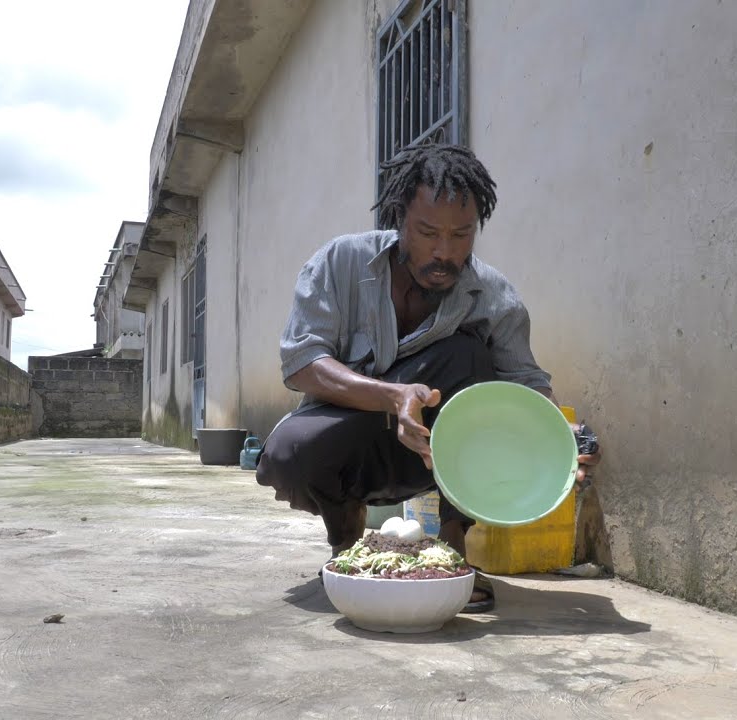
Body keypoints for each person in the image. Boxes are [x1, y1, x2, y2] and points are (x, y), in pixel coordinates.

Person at [255, 143, 600, 613]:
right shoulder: (340, 263)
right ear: (399, 220)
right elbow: (301, 362)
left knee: (469, 356)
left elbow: (526, 383)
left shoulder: (493, 297)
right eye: (428, 232)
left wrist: (562, 440)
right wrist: (392, 396)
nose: (444, 252)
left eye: (461, 235)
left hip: (438, 452)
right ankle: (346, 542)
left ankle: (454, 549)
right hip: (350, 435)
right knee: (287, 452)